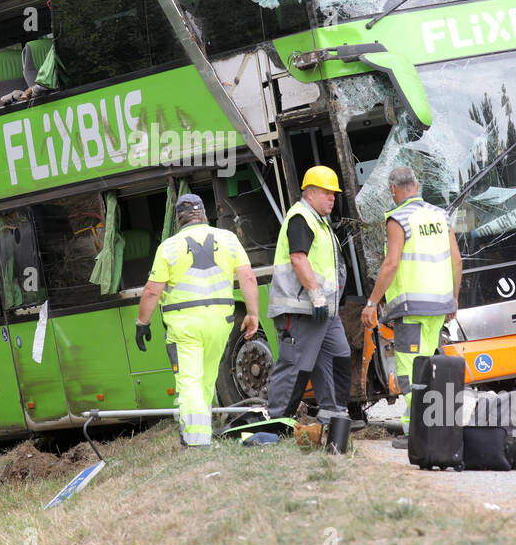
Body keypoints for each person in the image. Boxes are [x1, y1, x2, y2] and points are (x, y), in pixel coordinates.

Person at [135, 193, 260, 448]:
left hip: (185, 326)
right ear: (203, 214)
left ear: (178, 219)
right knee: (206, 379)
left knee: (189, 381)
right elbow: (247, 278)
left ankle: (196, 440)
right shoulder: (228, 238)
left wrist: (142, 323)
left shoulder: (168, 247)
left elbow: (151, 291)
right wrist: (252, 313)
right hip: (220, 322)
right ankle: (201, 431)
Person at [360, 167, 462, 432]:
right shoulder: (441, 215)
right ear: (417, 185)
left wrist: (372, 302)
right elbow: (456, 260)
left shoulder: (398, 218)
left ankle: (417, 429)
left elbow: (391, 263)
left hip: (412, 309)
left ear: (393, 189)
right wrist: (454, 299)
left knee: (408, 369)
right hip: (439, 307)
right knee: (428, 366)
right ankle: (428, 424)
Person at [265, 166, 351, 421]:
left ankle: (333, 416)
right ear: (310, 193)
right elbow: (298, 258)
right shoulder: (301, 217)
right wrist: (316, 295)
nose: (332, 198)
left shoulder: (320, 222)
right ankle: (278, 421)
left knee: (338, 357)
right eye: (327, 193)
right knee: (296, 366)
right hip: (302, 309)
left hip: (325, 311)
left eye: (334, 194)